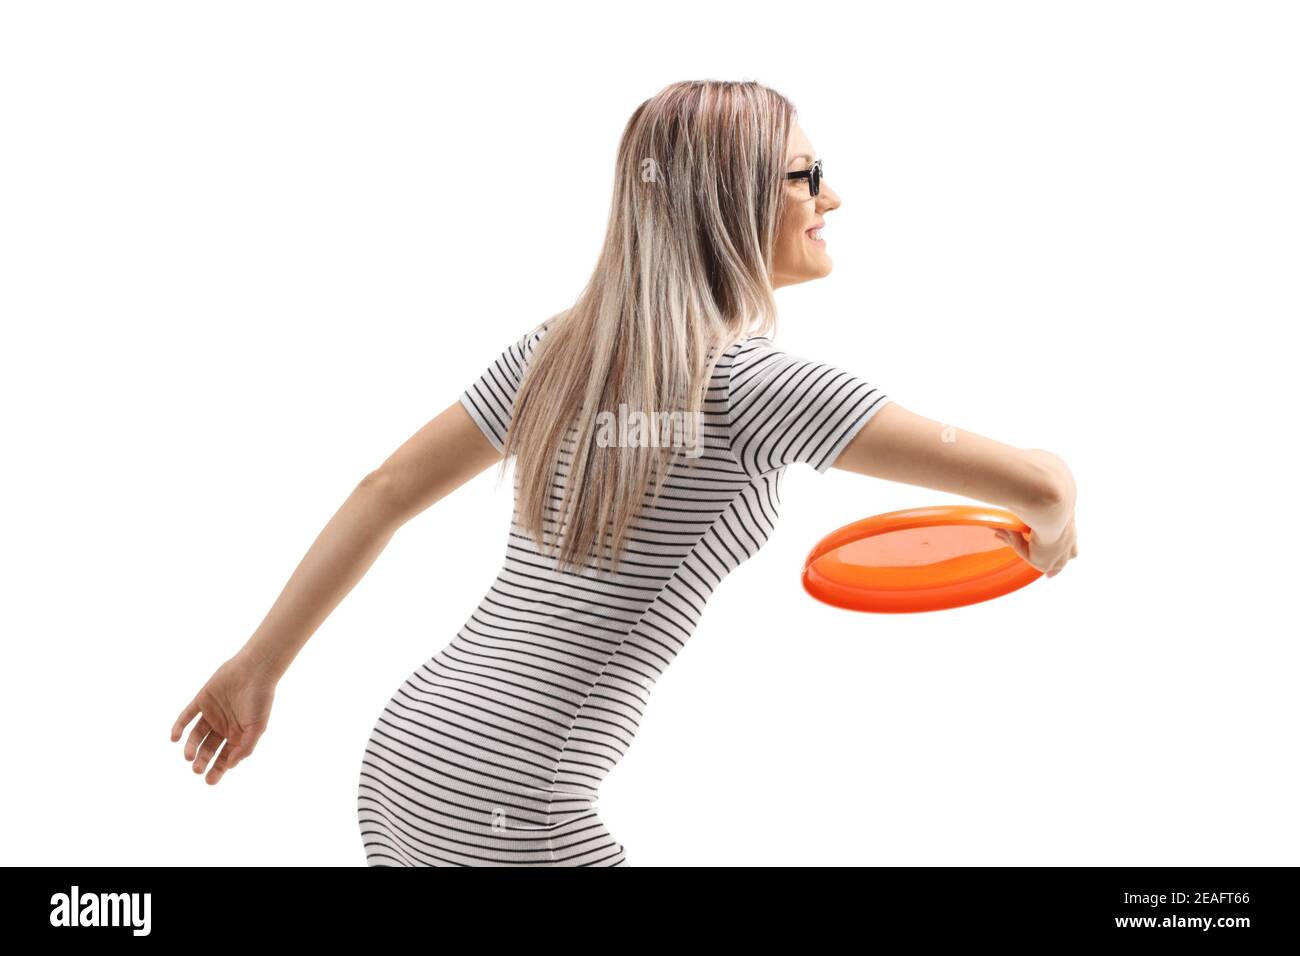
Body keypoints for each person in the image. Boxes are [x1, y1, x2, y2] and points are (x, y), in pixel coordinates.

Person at [170, 79, 1078, 866]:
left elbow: (384, 494)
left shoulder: (559, 352)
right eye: (802, 175)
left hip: (408, 757)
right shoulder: (759, 385)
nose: (831, 195)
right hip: (519, 800)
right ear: (726, 201)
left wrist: (257, 667)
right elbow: (1035, 489)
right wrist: (1052, 512)